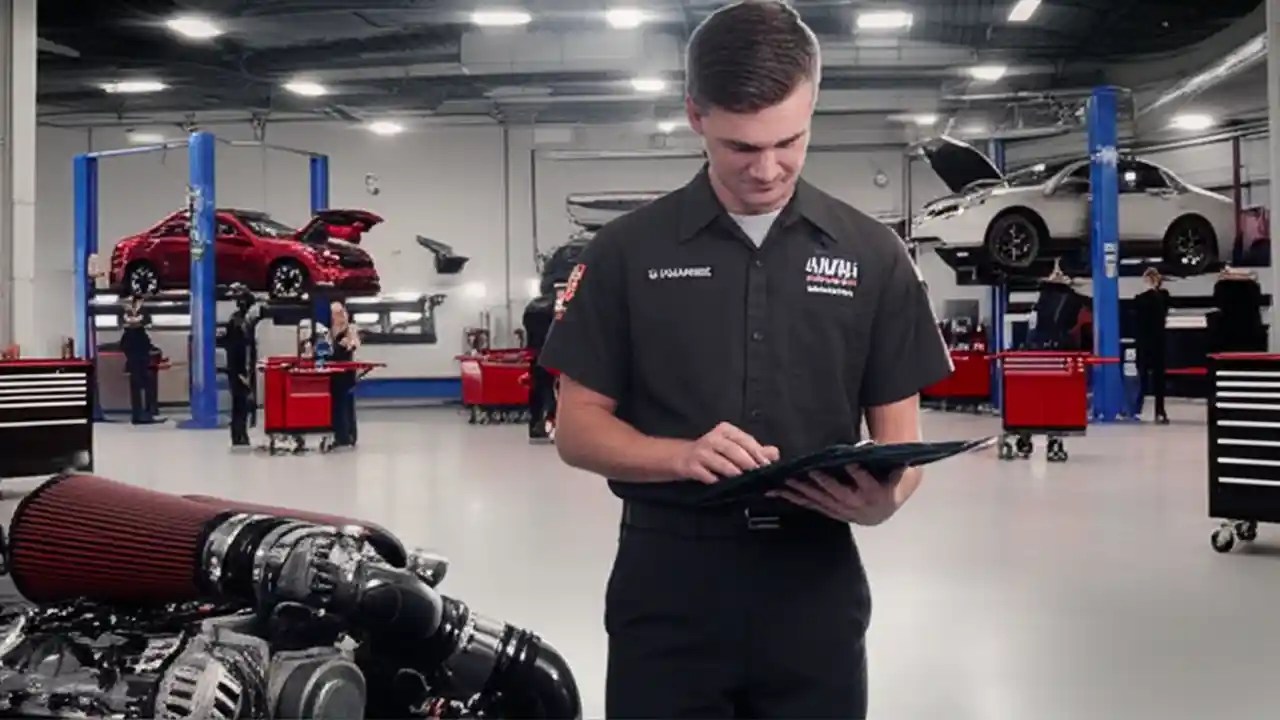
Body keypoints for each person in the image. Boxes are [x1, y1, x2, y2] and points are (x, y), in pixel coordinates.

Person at [536, 3, 952, 718]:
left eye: (789, 141)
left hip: (813, 581)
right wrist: (680, 457)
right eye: (739, 147)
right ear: (696, 115)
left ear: (813, 103)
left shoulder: (872, 254)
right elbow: (577, 432)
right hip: (668, 585)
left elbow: (900, 442)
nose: (767, 168)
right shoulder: (626, 253)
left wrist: (887, 499)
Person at [223, 285, 261, 447]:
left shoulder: (235, 319)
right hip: (240, 368)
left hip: (235, 367)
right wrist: (244, 373)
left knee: (238, 403)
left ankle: (238, 434)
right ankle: (240, 434)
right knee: (242, 403)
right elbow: (243, 349)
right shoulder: (242, 323)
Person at [1133, 267, 1170, 424]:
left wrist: (1151, 289)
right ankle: (1138, 408)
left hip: (1154, 341)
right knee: (1143, 377)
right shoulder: (1142, 299)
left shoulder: (1160, 297)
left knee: (1156, 379)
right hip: (1147, 341)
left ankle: (1158, 410)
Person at [120, 294, 160, 425]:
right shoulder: (140, 334)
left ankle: (138, 414)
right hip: (141, 362)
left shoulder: (127, 335)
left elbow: (124, 347)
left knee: (136, 388)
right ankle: (146, 414)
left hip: (133, 362)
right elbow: (146, 345)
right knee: (146, 387)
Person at [522, 293, 557, 442]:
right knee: (551, 393)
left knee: (537, 390)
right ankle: (550, 425)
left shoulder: (533, 310)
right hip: (552, 359)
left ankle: (536, 424)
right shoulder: (552, 310)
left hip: (536, 358)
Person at [328, 301, 361, 448]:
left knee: (346, 404)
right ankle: (339, 435)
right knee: (336, 405)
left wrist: (350, 344)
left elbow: (355, 342)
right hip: (333, 373)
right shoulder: (329, 330)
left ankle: (349, 436)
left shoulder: (349, 329)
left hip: (346, 373)